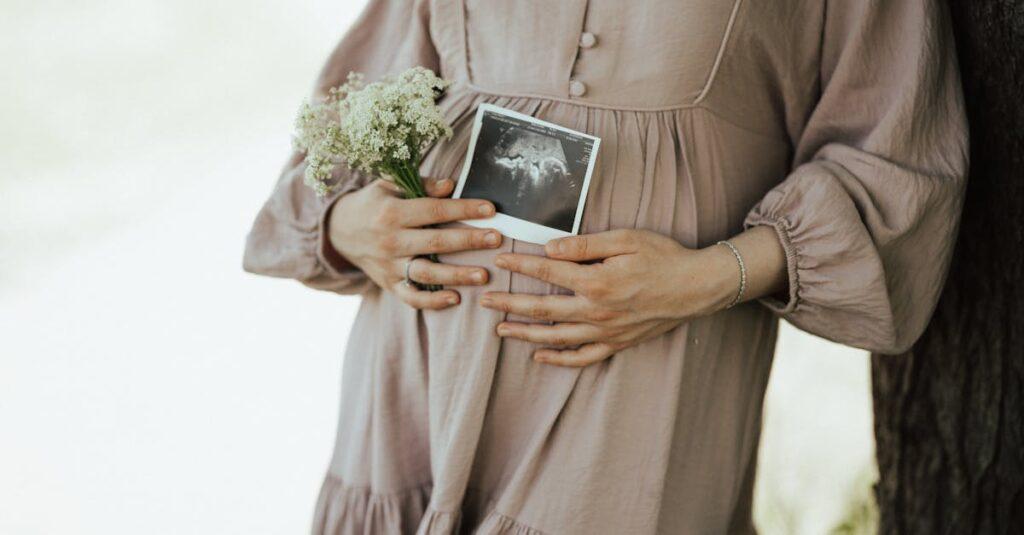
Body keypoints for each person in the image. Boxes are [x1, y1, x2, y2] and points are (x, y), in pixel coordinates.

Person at [243, 1, 968, 533]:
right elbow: (352, 115)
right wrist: (348, 224)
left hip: (641, 390)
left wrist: (714, 275)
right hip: (418, 372)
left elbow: (898, 159)